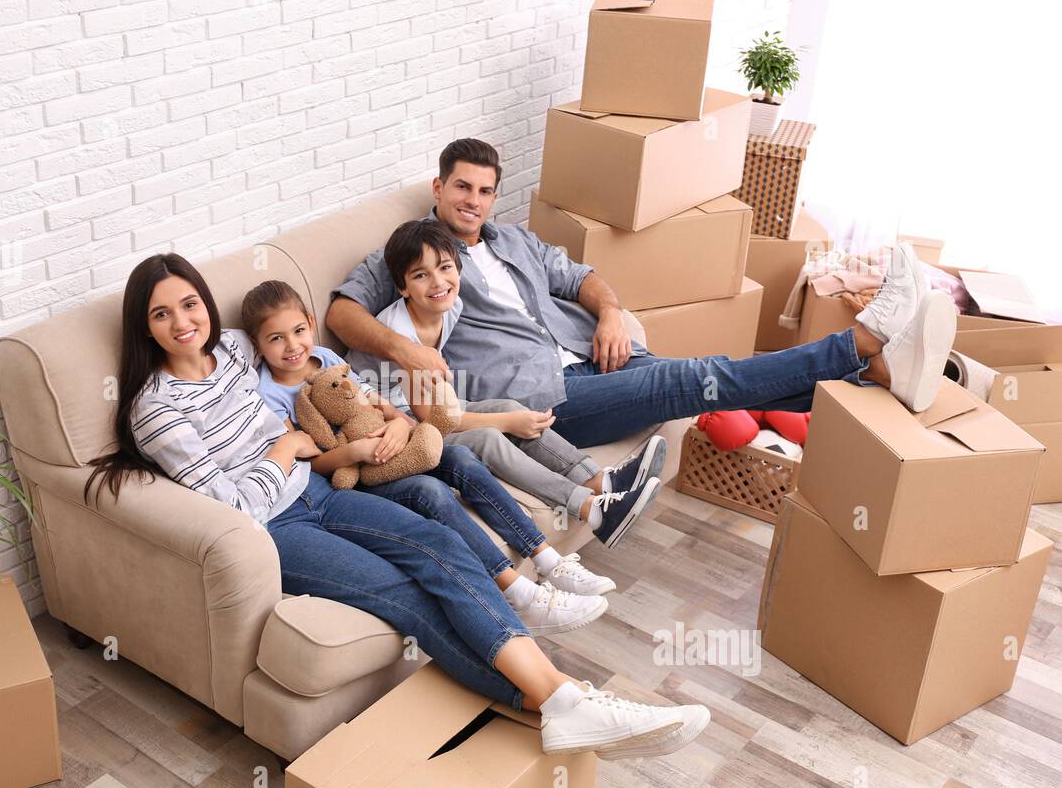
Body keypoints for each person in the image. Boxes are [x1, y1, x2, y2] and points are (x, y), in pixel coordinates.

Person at [83, 252, 712, 760]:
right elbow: (229, 506)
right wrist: (287, 450)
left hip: (325, 490)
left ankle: (563, 700)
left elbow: (303, 346)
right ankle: (561, 700)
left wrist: (365, 418)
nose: (182, 321)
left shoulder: (238, 349)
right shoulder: (155, 409)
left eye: (189, 303)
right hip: (276, 529)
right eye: (162, 314)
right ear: (145, 327)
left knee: (437, 543)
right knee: (404, 593)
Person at [325, 138, 958, 451]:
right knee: (701, 376)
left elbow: (582, 277)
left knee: (720, 376)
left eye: (485, 191)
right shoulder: (415, 254)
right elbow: (342, 312)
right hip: (545, 395)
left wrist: (611, 312)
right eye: (462, 188)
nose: (472, 202)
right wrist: (408, 354)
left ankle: (874, 375)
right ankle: (862, 341)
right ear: (438, 187)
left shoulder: (515, 240)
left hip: (593, 356)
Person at [241, 277, 617, 631]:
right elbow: (308, 465)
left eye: (298, 331)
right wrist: (354, 451)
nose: (292, 346)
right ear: (258, 345)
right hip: (352, 479)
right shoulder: (268, 395)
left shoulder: (324, 358)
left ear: (309, 323)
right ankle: (517, 591)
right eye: (276, 339)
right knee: (429, 492)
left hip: (395, 447)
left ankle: (547, 559)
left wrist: (400, 425)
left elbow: (376, 405)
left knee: (462, 460)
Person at [346, 217, 667, 550]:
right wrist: (506, 422)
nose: (437, 282)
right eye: (420, 275)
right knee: (490, 435)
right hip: (389, 423)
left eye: (444, 268)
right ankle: (593, 510)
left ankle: (603, 480)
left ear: (459, 268)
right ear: (402, 287)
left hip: (426, 405)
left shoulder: (451, 305)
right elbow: (432, 418)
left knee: (512, 408)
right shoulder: (402, 339)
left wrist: (511, 411)